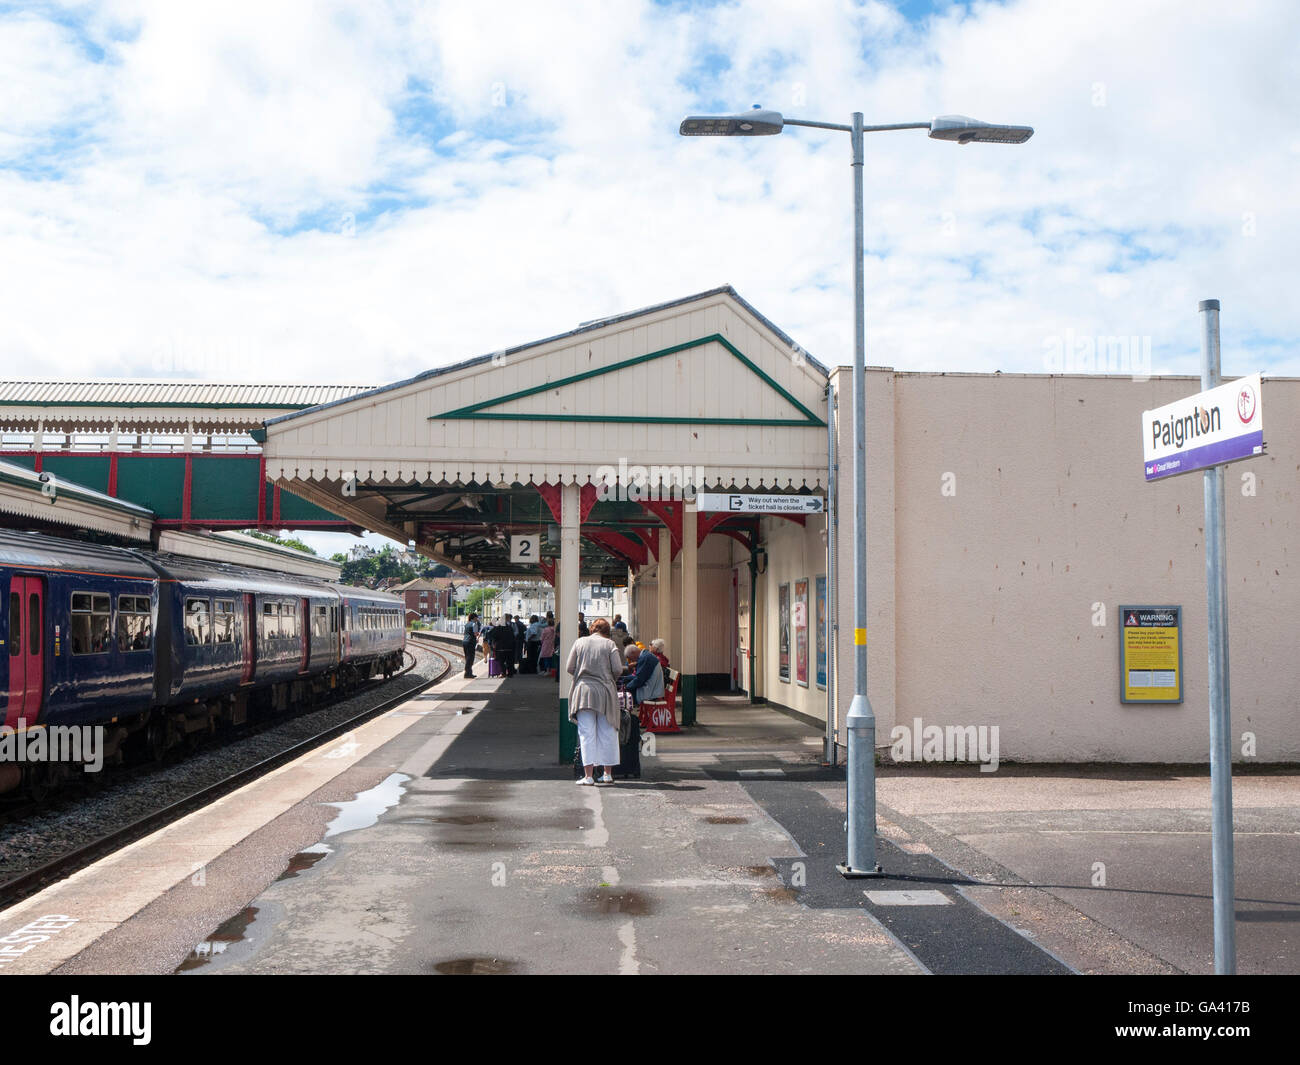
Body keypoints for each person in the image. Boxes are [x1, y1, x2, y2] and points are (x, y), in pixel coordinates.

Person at [567, 618, 626, 786]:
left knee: (586, 734)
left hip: (584, 692)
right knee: (608, 731)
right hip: (606, 692)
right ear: (607, 631)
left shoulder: (580, 642)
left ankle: (588, 775)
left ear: (592, 629)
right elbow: (617, 669)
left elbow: (569, 667)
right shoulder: (609, 645)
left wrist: (583, 675)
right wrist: (608, 679)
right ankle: (607, 774)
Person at [624, 642, 665, 706]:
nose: (631, 661)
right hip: (654, 690)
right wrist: (624, 679)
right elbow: (639, 676)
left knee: (624, 696)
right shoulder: (646, 655)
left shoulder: (645, 658)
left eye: (630, 658)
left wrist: (626, 687)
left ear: (633, 653)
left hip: (650, 693)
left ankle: (627, 715)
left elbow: (639, 680)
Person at [489, 613, 517, 678]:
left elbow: (492, 634)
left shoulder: (498, 627)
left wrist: (493, 642)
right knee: (509, 661)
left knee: (501, 661)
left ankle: (503, 673)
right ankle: (510, 674)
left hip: (501, 647)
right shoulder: (509, 627)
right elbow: (513, 637)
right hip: (510, 647)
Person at [461, 612, 482, 678]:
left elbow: (465, 633)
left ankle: (468, 672)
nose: (477, 619)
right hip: (470, 642)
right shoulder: (474, 624)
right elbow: (476, 634)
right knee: (470, 658)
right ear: (475, 618)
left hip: (465, 641)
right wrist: (478, 633)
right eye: (477, 618)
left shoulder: (467, 624)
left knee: (467, 657)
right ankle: (467, 673)